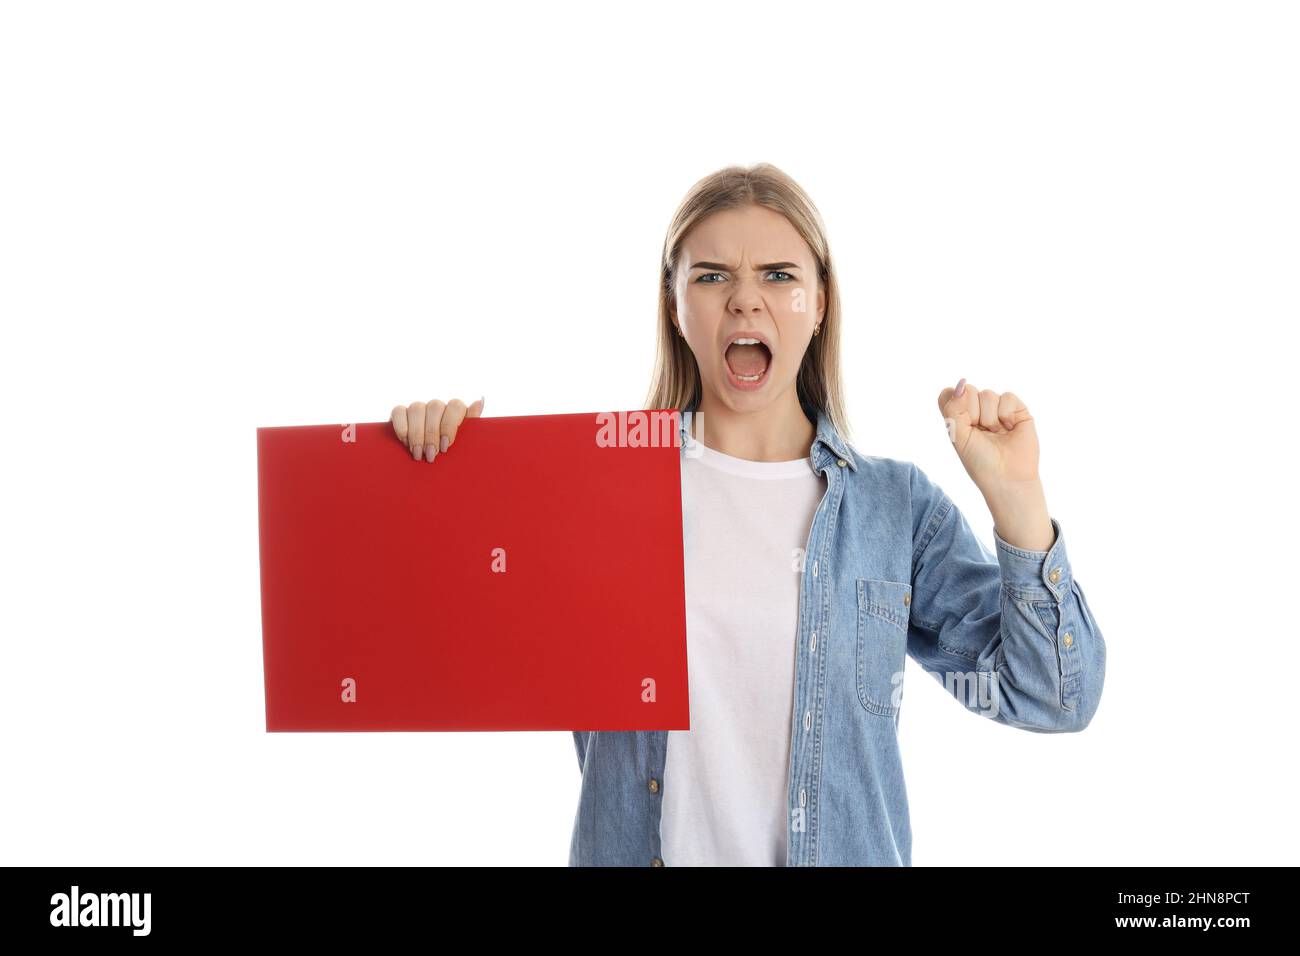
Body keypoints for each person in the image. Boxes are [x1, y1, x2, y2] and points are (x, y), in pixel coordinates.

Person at [388, 163, 1106, 866]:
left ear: (820, 302)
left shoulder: (895, 508)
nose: (744, 300)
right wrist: (435, 481)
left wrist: (1019, 503)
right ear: (673, 303)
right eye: (710, 276)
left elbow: (1050, 697)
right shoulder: (594, 492)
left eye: (778, 275)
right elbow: (441, 637)